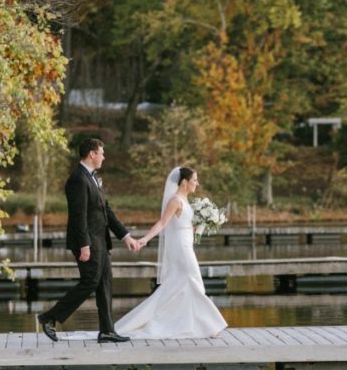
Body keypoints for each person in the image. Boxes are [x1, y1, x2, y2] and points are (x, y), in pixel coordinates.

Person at [37, 138, 141, 344]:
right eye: (101, 153)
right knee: (90, 282)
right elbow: (78, 216)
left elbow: (107, 212)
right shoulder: (77, 179)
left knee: (105, 284)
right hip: (88, 242)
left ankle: (107, 331)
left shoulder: (93, 178)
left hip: (101, 241)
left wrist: (125, 236)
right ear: (92, 154)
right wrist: (84, 246)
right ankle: (49, 317)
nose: (104, 157)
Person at [114, 166, 227, 339]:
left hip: (187, 245)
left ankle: (194, 325)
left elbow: (184, 224)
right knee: (194, 281)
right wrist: (144, 239)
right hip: (181, 248)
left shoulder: (186, 201)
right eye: (194, 180)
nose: (197, 183)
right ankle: (213, 326)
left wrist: (205, 224)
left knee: (181, 285)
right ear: (184, 182)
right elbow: (162, 223)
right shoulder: (175, 200)